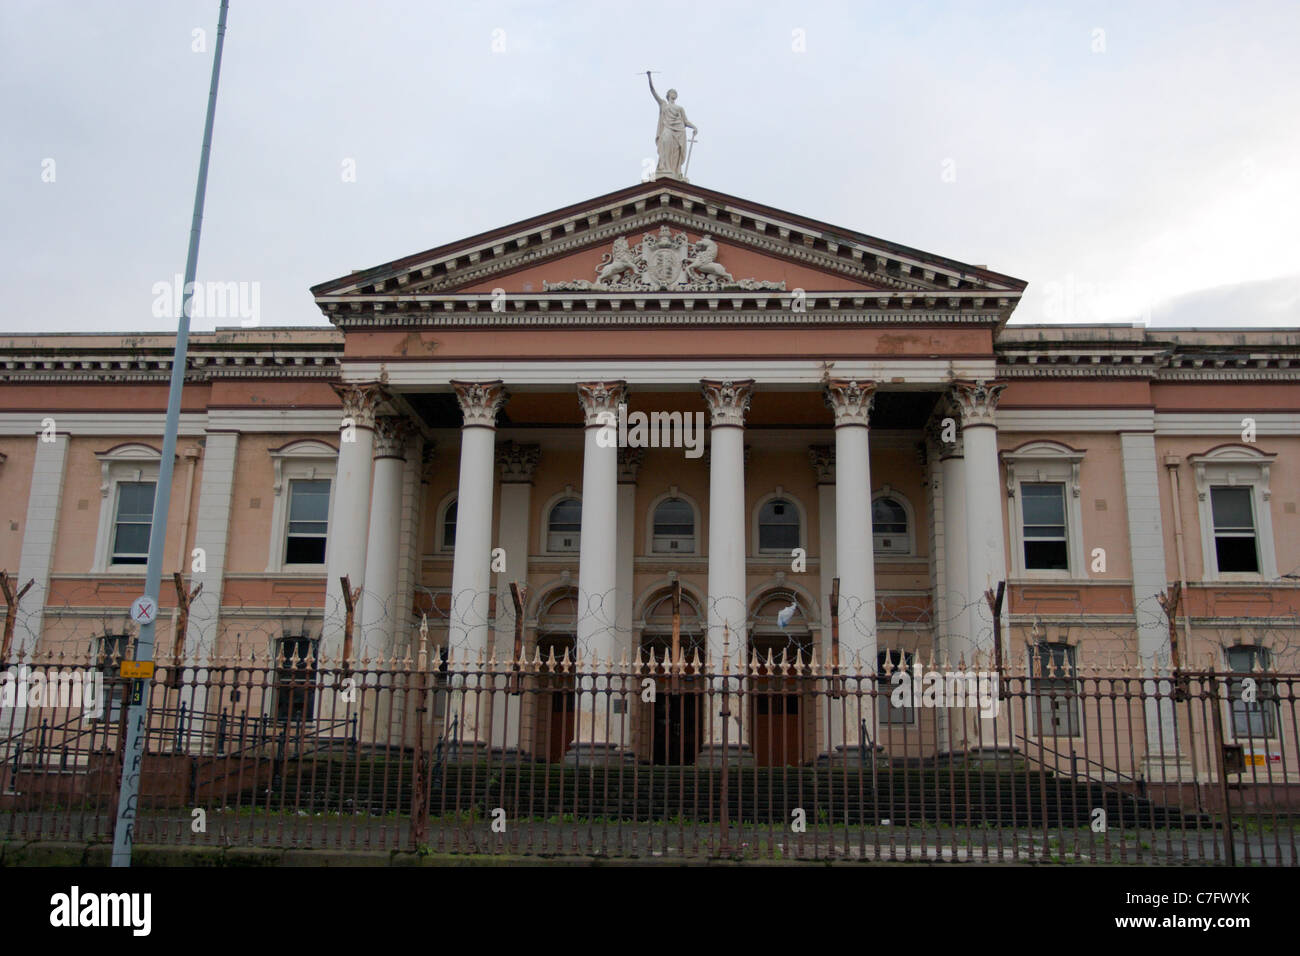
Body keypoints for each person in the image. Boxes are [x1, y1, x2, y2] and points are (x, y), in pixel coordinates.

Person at [647, 73, 697, 179]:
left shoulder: (680, 108)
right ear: (668, 95)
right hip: (667, 129)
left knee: (675, 153)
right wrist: (649, 77)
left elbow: (685, 121)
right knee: (665, 146)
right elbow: (653, 91)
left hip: (679, 132)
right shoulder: (663, 104)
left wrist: (694, 127)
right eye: (672, 92)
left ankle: (674, 171)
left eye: (675, 92)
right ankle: (664, 168)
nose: (674, 93)